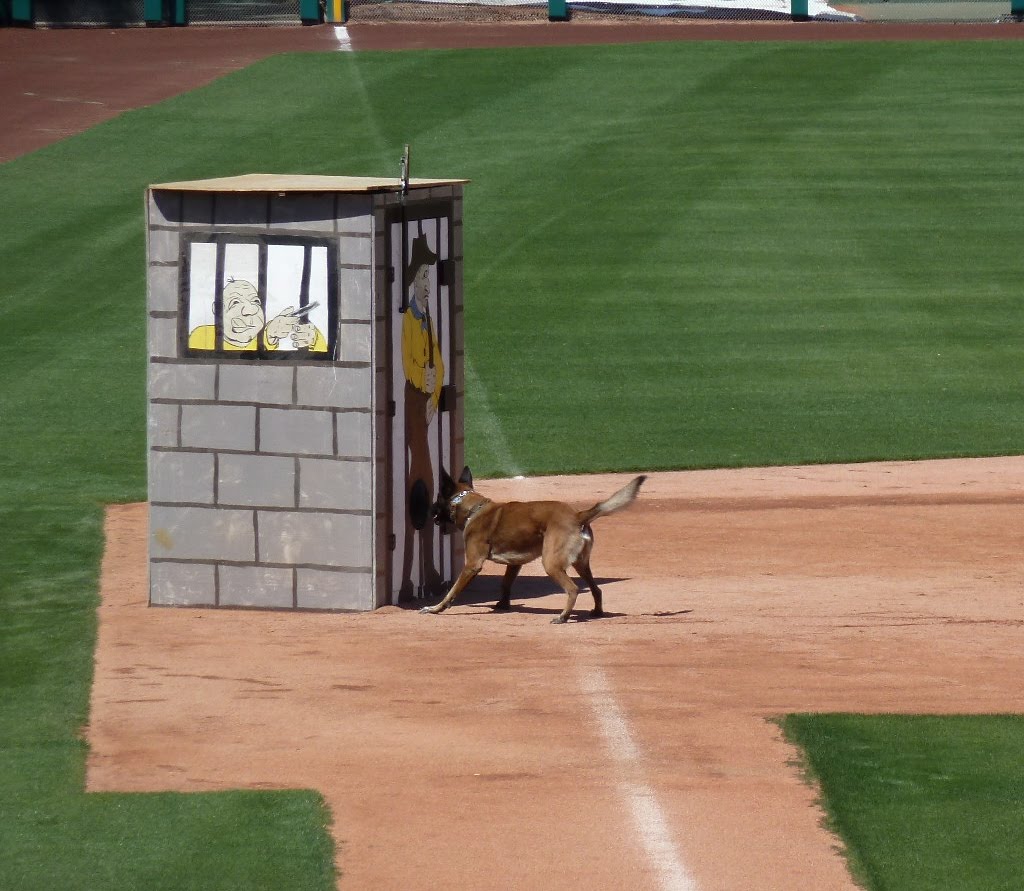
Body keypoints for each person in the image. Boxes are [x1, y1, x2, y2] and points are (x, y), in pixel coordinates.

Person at [400, 233, 445, 598]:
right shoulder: (410, 319)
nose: (428, 284)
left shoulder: (426, 316)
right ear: (413, 280)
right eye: (423, 277)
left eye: (429, 277)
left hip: (425, 401)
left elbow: (438, 361)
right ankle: (415, 574)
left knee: (424, 479)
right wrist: (422, 381)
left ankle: (422, 572)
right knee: (422, 480)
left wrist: (436, 393)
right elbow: (408, 361)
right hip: (413, 400)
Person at [189, 278, 327, 352]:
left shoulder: (276, 336)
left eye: (255, 301)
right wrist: (268, 336)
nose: (250, 310)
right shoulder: (202, 335)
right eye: (235, 302)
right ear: (217, 309)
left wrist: (313, 338)